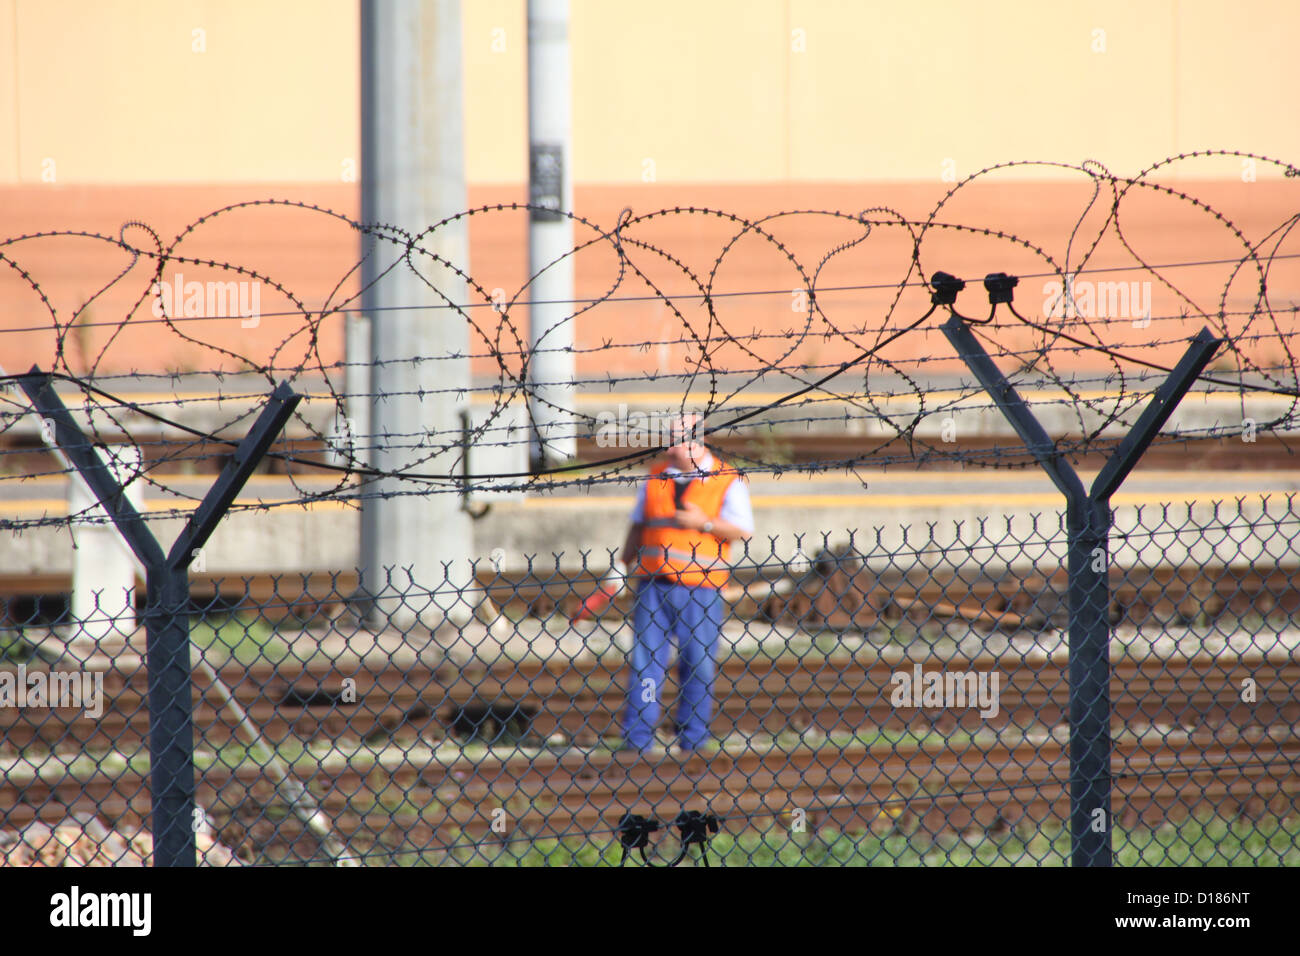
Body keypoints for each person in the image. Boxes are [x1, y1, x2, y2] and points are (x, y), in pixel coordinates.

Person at [618, 413, 754, 755]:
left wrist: (704, 523)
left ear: (696, 442)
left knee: (698, 665)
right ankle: (638, 741)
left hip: (702, 590)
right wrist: (620, 566)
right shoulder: (655, 477)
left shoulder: (727, 479)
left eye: (677, 439)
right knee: (646, 666)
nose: (670, 445)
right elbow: (639, 525)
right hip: (653, 586)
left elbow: (742, 529)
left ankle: (693, 741)